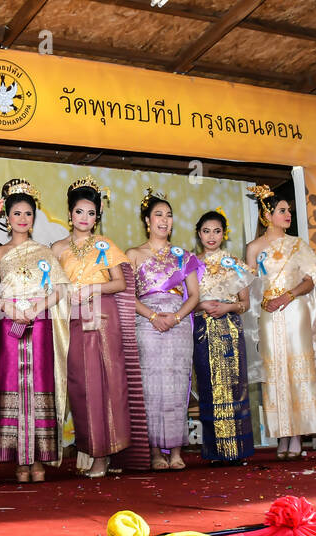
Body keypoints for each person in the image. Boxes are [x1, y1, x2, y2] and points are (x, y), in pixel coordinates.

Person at [0, 178, 69, 483]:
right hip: (10, 325)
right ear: (7, 217)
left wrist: (36, 308)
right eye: (17, 214)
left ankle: (39, 460)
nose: (22, 219)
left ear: (34, 218)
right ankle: (19, 461)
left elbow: (60, 289)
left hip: (39, 323)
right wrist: (9, 309)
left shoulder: (45, 252)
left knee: (38, 386)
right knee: (11, 386)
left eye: (28, 214)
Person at [51, 177, 132, 478]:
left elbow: (120, 282)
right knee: (82, 385)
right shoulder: (58, 248)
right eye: (79, 212)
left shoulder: (105, 245)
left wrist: (91, 290)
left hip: (103, 316)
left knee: (108, 383)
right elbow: (55, 287)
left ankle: (104, 456)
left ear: (98, 216)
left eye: (91, 213)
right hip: (73, 318)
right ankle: (90, 448)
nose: (85, 218)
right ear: (69, 213)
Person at [242, 187, 316, 460]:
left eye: (288, 210)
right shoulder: (253, 248)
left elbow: (311, 279)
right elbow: (249, 286)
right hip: (269, 315)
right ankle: (282, 433)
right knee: (274, 372)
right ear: (267, 214)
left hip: (294, 311)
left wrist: (287, 297)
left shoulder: (298, 244)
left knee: (297, 368)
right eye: (282, 210)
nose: (288, 214)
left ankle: (299, 434)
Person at [128, 192, 202, 471]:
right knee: (150, 386)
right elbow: (128, 296)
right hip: (147, 323)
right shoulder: (134, 254)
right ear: (147, 221)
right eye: (158, 214)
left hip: (178, 323)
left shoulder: (185, 256)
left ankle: (176, 451)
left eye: (168, 215)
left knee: (177, 385)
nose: (164, 220)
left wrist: (176, 317)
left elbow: (194, 295)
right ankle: (155, 451)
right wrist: (154, 316)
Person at [191, 209, 255, 464]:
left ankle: (237, 451)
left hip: (229, 327)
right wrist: (203, 306)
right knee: (208, 387)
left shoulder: (234, 263)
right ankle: (215, 451)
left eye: (217, 231)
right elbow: (185, 303)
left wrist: (226, 307)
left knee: (234, 387)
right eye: (206, 231)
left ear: (224, 234)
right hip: (203, 330)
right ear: (199, 234)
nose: (211, 236)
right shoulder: (190, 264)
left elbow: (245, 303)